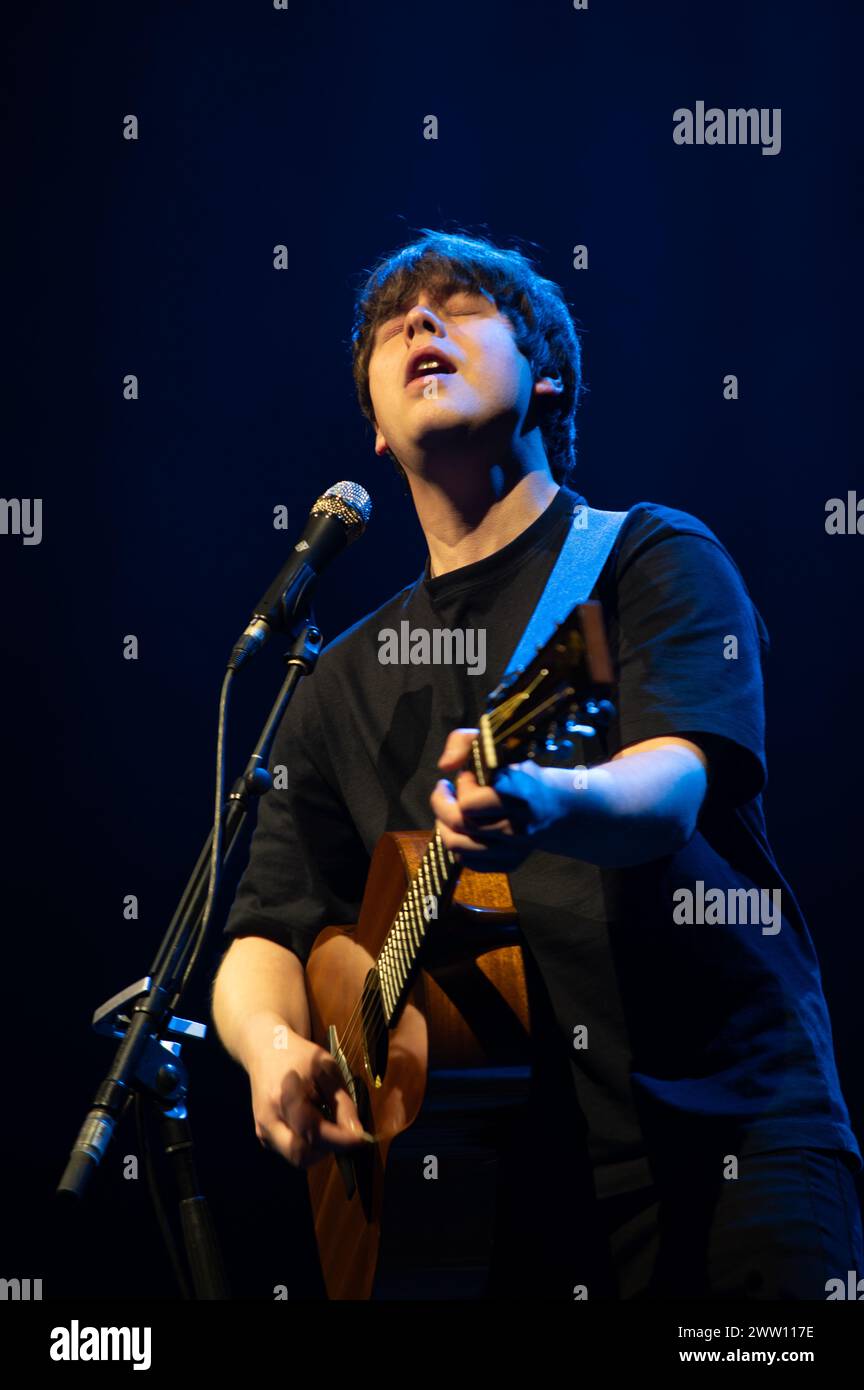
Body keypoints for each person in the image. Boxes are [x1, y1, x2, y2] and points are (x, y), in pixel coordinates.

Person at [210, 229, 863, 1299]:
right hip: (490, 1204)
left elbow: (673, 787)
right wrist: (275, 1046)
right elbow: (261, 932)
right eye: (392, 321)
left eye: (460, 305)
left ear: (547, 376)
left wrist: (547, 797)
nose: (420, 322)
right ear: (374, 429)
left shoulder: (648, 557)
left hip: (724, 1143)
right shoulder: (335, 683)